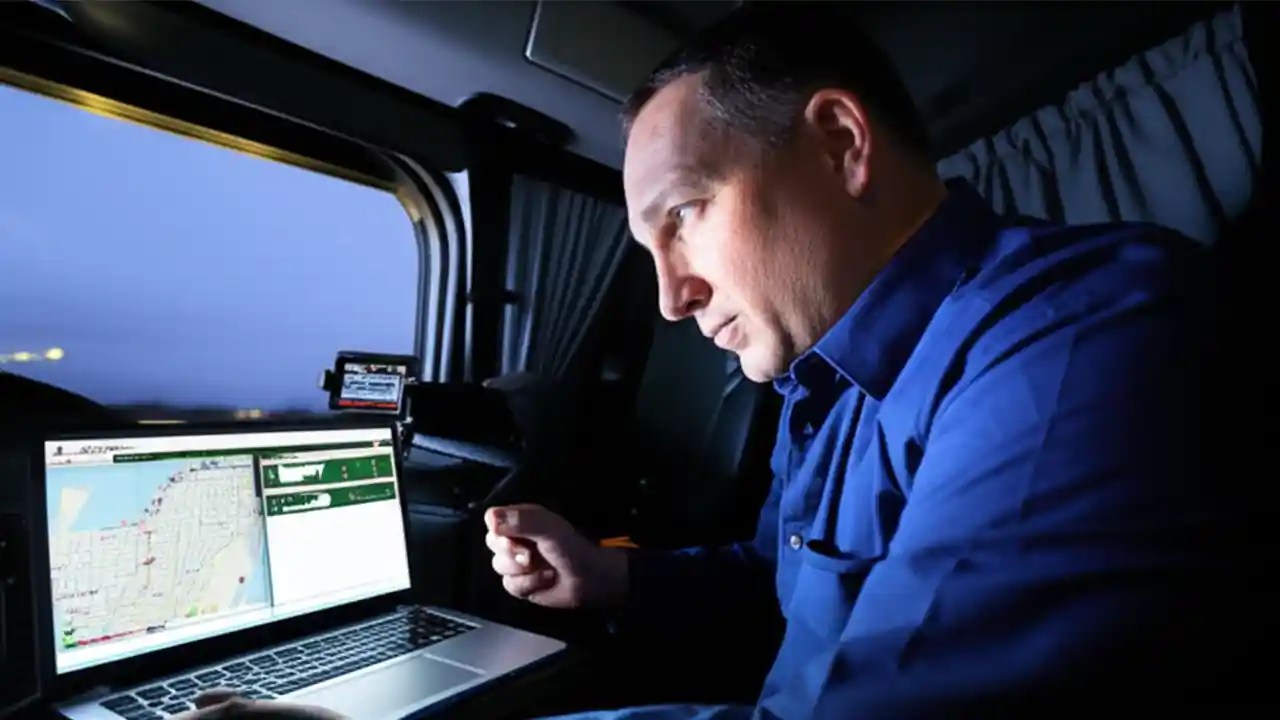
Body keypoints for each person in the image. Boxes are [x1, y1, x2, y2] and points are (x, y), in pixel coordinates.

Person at [179, 4, 1247, 719]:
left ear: (838, 143)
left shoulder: (1080, 336)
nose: (668, 297)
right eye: (645, 249)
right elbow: (780, 581)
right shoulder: (818, 388)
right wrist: (613, 577)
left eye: (682, 216)